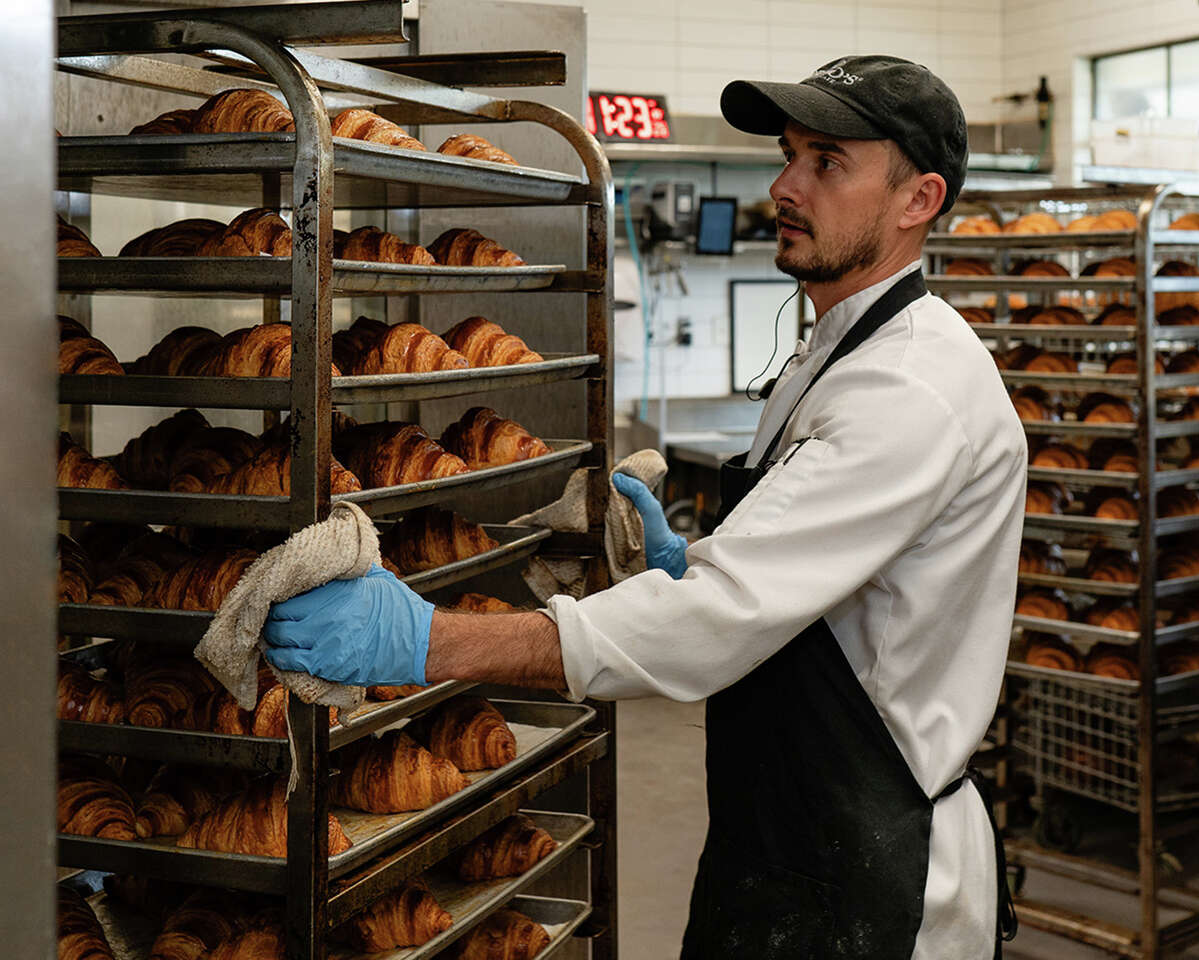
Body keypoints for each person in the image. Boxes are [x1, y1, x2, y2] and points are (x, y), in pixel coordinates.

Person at [264, 54, 1026, 959]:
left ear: (918, 200)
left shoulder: (912, 389)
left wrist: (429, 640)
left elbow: (714, 623)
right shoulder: (840, 350)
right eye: (790, 155)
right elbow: (794, 588)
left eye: (827, 162)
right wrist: (686, 562)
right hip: (794, 828)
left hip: (877, 878)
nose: (784, 184)